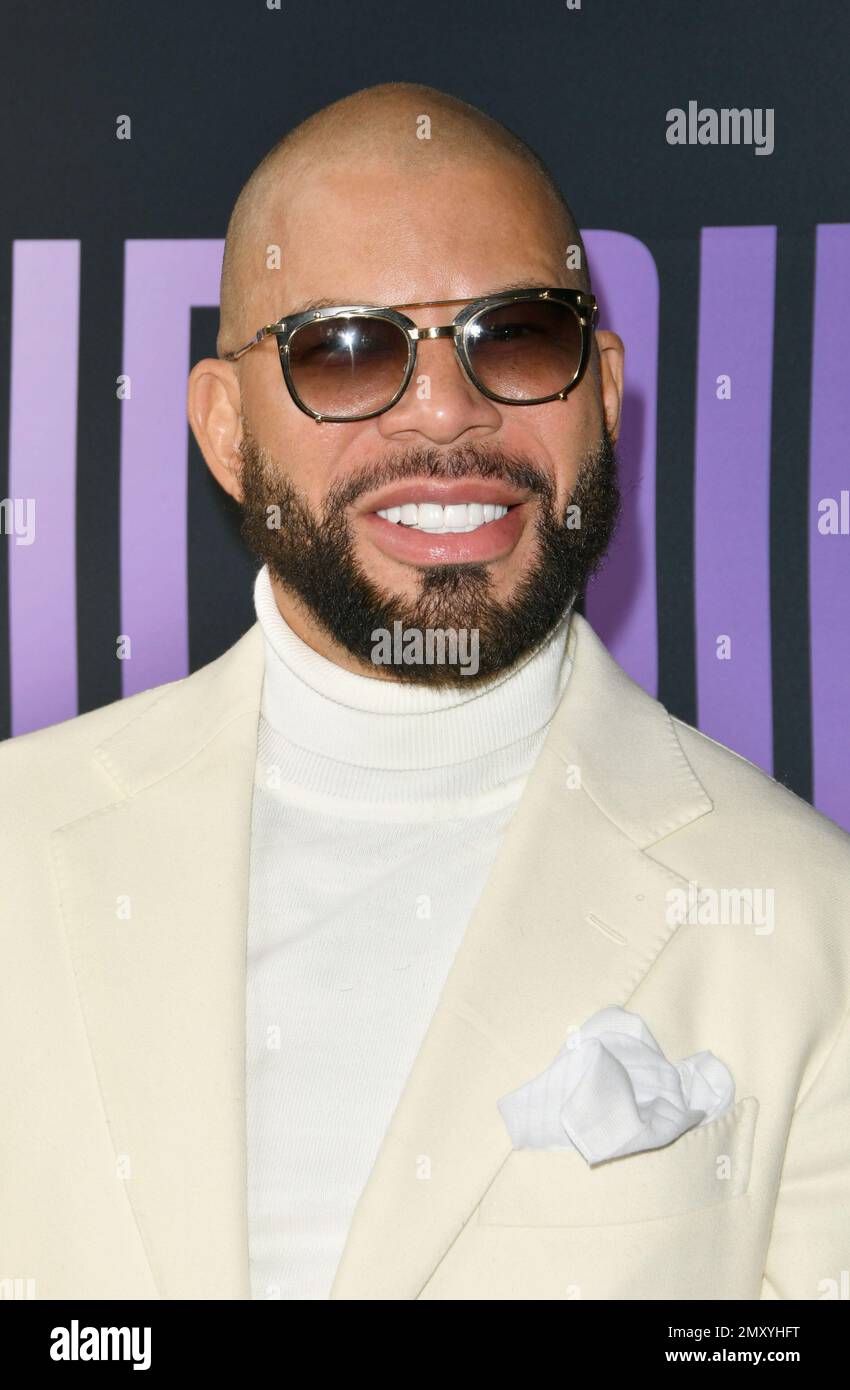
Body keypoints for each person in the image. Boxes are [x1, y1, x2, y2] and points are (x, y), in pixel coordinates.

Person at [1, 82, 848, 1302]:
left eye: (518, 337)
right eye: (346, 350)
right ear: (227, 431)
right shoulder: (15, 854)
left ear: (601, 393)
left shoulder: (809, 923)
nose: (447, 413)